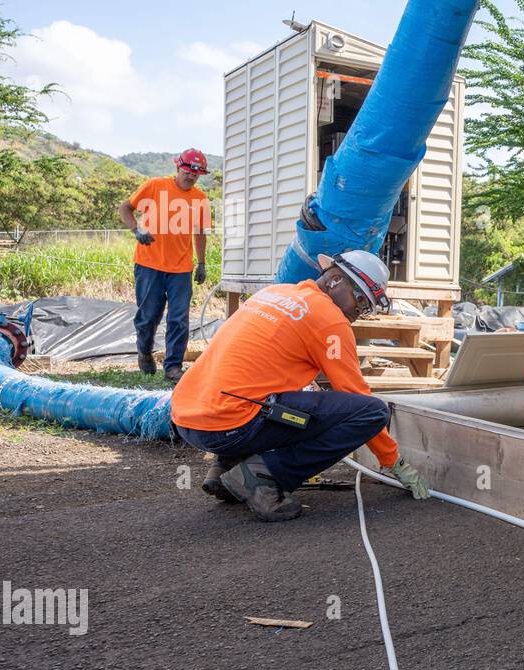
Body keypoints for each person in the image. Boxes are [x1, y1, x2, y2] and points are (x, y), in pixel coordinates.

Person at [169, 249, 429, 521]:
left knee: (277, 401)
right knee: (371, 413)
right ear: (334, 280)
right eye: (360, 300)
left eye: (365, 308)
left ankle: (226, 468)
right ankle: (261, 477)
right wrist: (393, 461)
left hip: (189, 417)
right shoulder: (330, 319)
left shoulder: (277, 293)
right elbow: (355, 395)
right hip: (228, 424)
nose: (358, 312)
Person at [117, 148, 212, 383]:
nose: (191, 176)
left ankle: (173, 367)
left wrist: (201, 263)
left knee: (179, 318)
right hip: (149, 264)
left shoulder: (200, 199)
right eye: (188, 170)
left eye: (196, 173)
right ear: (178, 167)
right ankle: (145, 351)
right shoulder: (155, 185)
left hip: (181, 268)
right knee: (148, 315)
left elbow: (200, 232)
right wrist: (136, 230)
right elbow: (125, 208)